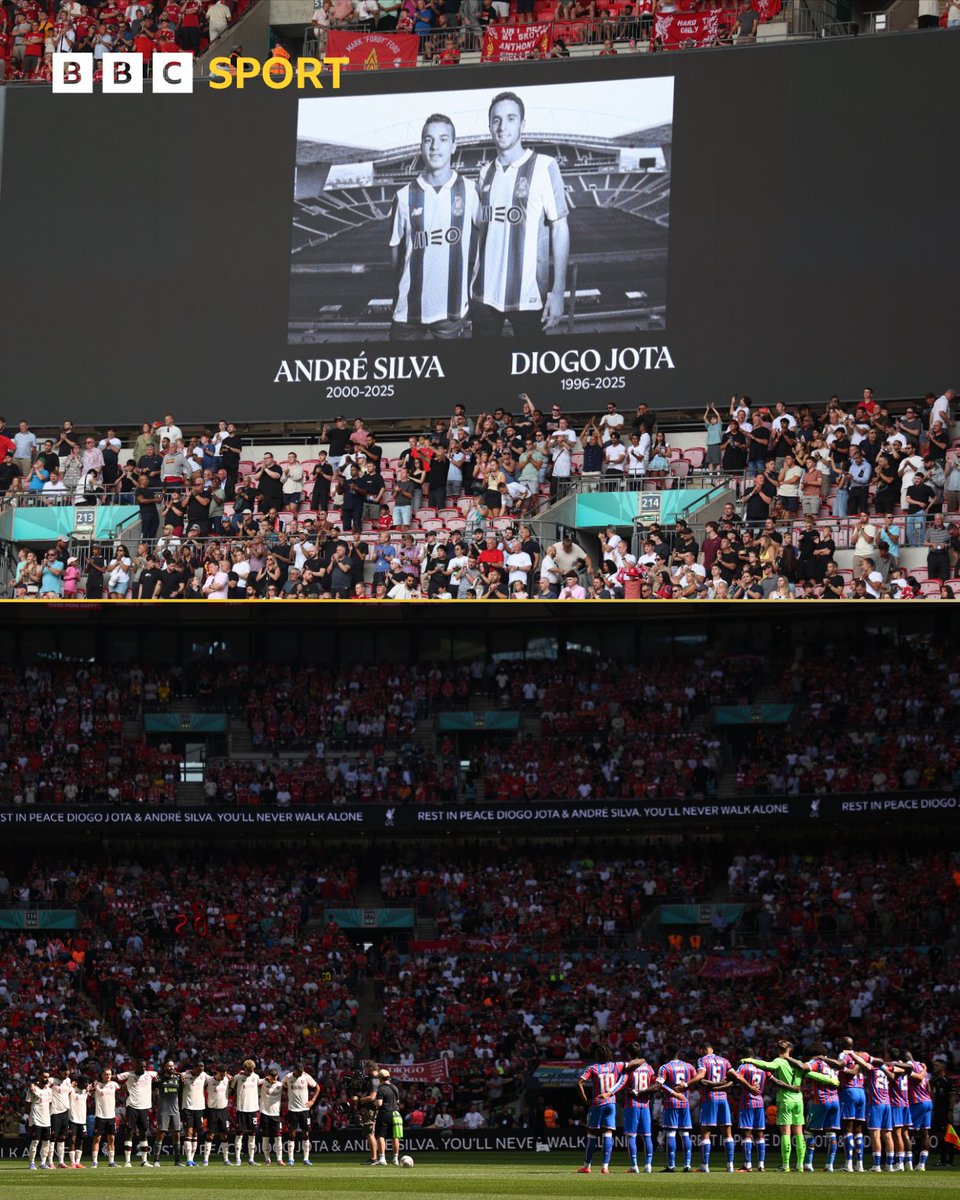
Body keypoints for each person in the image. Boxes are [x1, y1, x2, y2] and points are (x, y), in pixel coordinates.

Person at [471, 92, 569, 337]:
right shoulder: (485, 173)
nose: (502, 126)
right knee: (482, 370)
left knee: (530, 372)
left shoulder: (545, 166)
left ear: (522, 124)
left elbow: (560, 228)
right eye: (496, 120)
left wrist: (558, 291)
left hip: (529, 299)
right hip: (484, 297)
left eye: (511, 118)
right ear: (490, 126)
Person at [390, 114, 478, 339]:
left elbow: (489, 236)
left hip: (452, 312)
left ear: (454, 146)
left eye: (443, 139)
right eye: (428, 140)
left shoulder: (470, 191)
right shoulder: (403, 196)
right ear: (421, 146)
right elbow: (395, 252)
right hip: (407, 313)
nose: (435, 146)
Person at [576, 1046, 642, 1174]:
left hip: (597, 1103)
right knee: (608, 1134)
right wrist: (637, 1060)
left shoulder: (593, 1068)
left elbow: (579, 1083)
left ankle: (586, 1166)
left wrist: (585, 1100)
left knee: (592, 1134)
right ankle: (605, 1167)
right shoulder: (617, 1066)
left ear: (597, 1056)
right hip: (611, 1104)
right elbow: (639, 1062)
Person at [692, 1043, 735, 1173]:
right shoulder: (725, 1061)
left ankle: (705, 1166)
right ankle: (730, 1165)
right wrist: (721, 1086)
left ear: (702, 1050)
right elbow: (733, 1080)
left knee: (705, 1133)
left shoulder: (702, 1060)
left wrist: (713, 1086)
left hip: (709, 1098)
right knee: (728, 1134)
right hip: (723, 1099)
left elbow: (701, 1080)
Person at [798, 1043, 841, 1172]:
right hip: (835, 1101)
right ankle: (830, 1165)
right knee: (831, 1132)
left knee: (809, 1131)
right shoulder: (832, 1063)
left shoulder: (817, 1062)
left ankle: (808, 1164)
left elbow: (804, 1067)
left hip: (821, 1100)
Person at [656, 1049, 696, 1172]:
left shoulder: (665, 1067)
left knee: (671, 1134)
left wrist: (674, 1093)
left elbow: (659, 1085)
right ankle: (687, 1165)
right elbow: (697, 1078)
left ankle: (671, 1165)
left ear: (667, 1054)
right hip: (685, 1102)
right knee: (685, 1134)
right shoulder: (688, 1066)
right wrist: (686, 1086)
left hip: (671, 1103)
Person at [622, 1048, 659, 1174]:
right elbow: (655, 1086)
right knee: (647, 1136)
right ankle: (648, 1165)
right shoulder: (649, 1068)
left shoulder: (629, 1068)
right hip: (645, 1105)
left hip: (632, 1105)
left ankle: (634, 1165)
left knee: (631, 1136)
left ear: (629, 1054)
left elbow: (623, 1085)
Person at [117, 1060, 157, 1167]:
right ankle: (127, 1161)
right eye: (141, 1066)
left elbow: (162, 1074)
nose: (143, 1068)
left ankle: (144, 1161)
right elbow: (113, 1077)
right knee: (130, 1131)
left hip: (144, 1108)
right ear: (136, 1066)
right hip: (132, 1107)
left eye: (145, 1066)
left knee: (144, 1132)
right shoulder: (128, 1075)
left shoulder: (150, 1075)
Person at [731, 1054, 767, 1172]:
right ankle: (761, 1165)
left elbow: (737, 1077)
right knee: (760, 1134)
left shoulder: (744, 1067)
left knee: (747, 1134)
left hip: (747, 1102)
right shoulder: (762, 1067)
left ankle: (748, 1165)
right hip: (760, 1102)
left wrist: (750, 1087)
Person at [283, 1062, 319, 1166]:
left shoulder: (306, 1077)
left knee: (306, 1133)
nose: (300, 1073)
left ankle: (306, 1159)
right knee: (292, 1133)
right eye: (299, 1072)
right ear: (294, 1070)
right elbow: (283, 1085)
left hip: (304, 1110)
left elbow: (317, 1088)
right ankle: (291, 1159)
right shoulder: (288, 1077)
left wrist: (312, 1100)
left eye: (301, 1071)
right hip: (292, 1110)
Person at [179, 1059, 210, 1167]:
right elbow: (176, 1075)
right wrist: (179, 1074)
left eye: (202, 1070)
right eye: (199, 1070)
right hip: (187, 1108)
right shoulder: (184, 1075)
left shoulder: (203, 1075)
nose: (200, 1072)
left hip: (200, 1108)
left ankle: (191, 1159)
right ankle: (188, 1160)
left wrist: (227, 1075)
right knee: (189, 1133)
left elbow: (214, 1079)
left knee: (196, 1134)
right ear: (194, 1068)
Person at [153, 1060, 182, 1167]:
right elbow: (150, 1089)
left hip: (175, 1111)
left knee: (177, 1134)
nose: (171, 1068)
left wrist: (180, 1074)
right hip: (163, 1111)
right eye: (169, 1066)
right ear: (165, 1067)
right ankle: (156, 1160)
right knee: (161, 1134)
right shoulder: (159, 1079)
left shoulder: (178, 1079)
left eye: (173, 1066)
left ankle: (177, 1161)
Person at [232, 1060, 261, 1166]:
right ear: (244, 1069)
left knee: (252, 1134)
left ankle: (251, 1159)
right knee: (239, 1133)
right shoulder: (238, 1077)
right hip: (241, 1109)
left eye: (252, 1070)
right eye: (249, 1070)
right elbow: (231, 1088)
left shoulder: (256, 1077)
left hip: (253, 1109)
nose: (251, 1072)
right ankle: (238, 1159)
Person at [203, 1067, 233, 1166]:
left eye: (224, 1074)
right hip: (211, 1111)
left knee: (224, 1134)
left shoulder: (227, 1079)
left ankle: (226, 1159)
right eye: (221, 1075)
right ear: (216, 1072)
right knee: (210, 1135)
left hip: (223, 1110)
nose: (223, 1077)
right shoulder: (209, 1080)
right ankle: (206, 1160)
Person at [373, 1068, 401, 1166]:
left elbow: (379, 1103)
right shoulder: (395, 1087)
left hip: (384, 1113)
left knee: (381, 1136)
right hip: (396, 1114)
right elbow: (397, 1102)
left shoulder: (381, 1089)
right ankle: (395, 1158)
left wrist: (374, 1102)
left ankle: (382, 1158)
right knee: (394, 1137)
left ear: (380, 1078)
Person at [27, 1070, 54, 1170]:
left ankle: (43, 1163)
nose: (46, 1079)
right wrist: (30, 1116)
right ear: (39, 1077)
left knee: (46, 1142)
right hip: (36, 1119)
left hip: (46, 1120)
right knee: (35, 1141)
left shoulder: (49, 1090)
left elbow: (50, 1104)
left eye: (47, 1077)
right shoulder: (33, 1089)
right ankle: (32, 1163)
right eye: (44, 1077)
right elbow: (27, 1103)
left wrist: (49, 1116)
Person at [258, 1069, 284, 1165]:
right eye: (272, 1078)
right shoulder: (262, 1082)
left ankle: (279, 1159)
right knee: (266, 1137)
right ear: (268, 1076)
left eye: (276, 1078)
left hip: (276, 1114)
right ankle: (267, 1159)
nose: (274, 1080)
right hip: (264, 1113)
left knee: (278, 1137)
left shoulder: (280, 1085)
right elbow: (251, 1080)